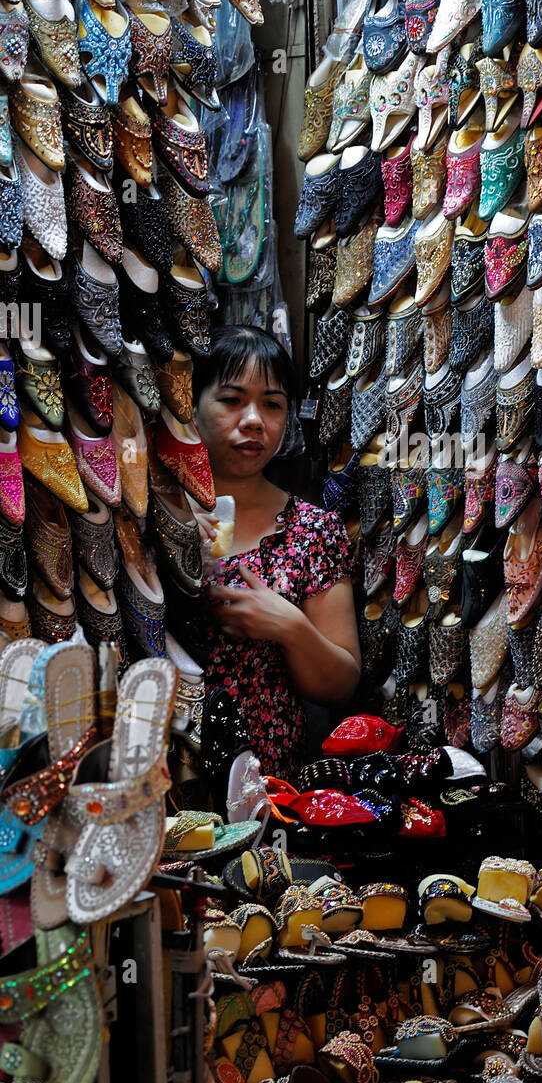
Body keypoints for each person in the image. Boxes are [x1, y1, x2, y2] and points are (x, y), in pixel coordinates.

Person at [194, 323, 361, 780]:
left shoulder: (312, 531)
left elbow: (341, 684)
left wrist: (290, 626)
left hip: (269, 784)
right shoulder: (148, 516)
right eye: (231, 400)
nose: (253, 420)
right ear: (191, 407)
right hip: (162, 775)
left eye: (272, 405)